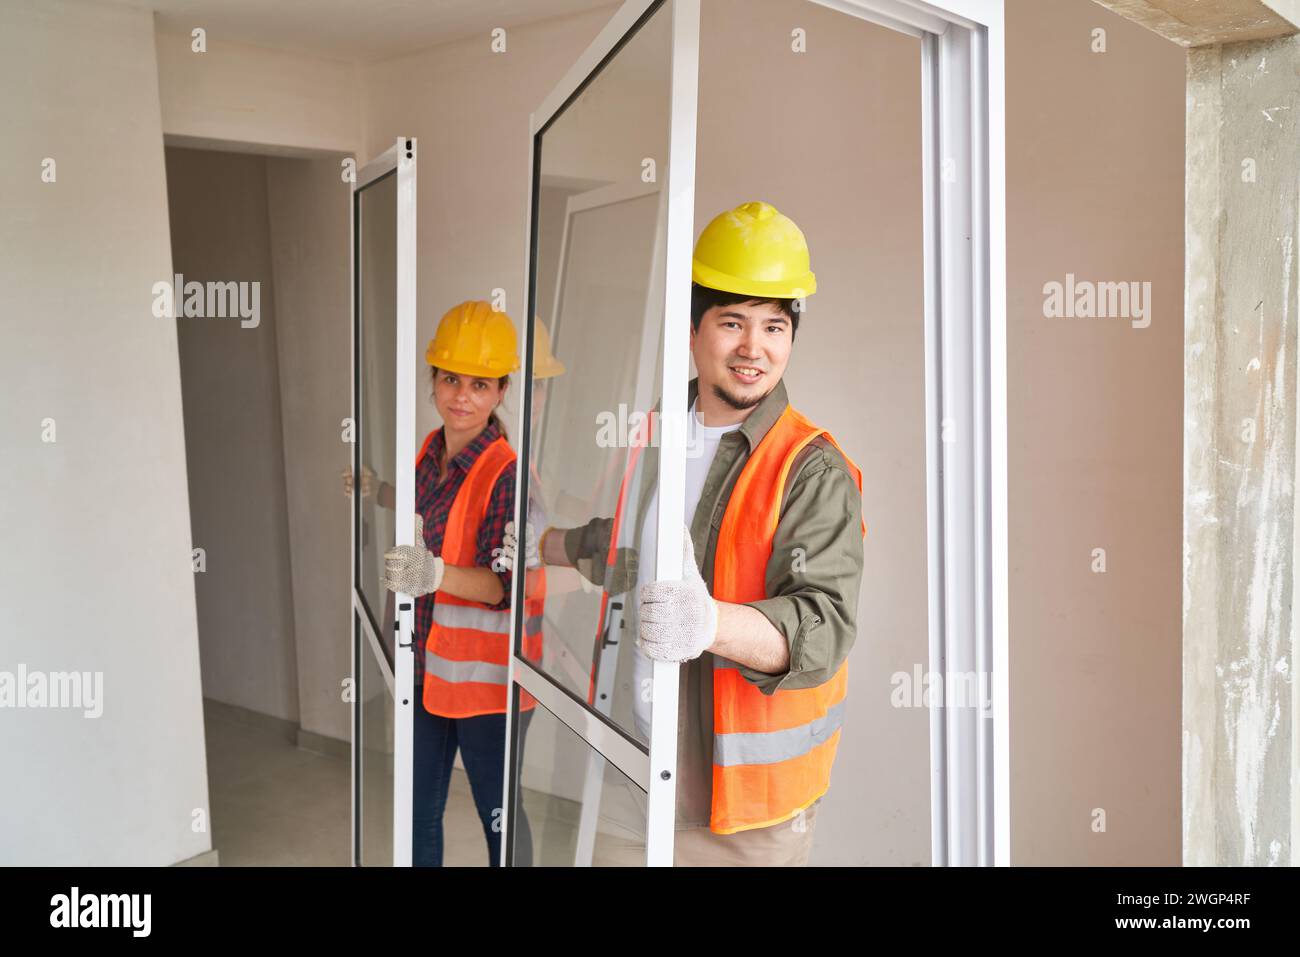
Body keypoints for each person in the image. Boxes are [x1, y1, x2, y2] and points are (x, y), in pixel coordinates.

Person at [528, 201, 867, 866]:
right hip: (633, 764)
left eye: (775, 325)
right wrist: (543, 541)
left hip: (745, 811)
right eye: (733, 321)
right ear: (694, 329)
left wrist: (710, 624)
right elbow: (629, 544)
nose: (754, 346)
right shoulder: (662, 424)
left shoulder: (812, 467)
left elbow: (822, 625)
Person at [377, 299, 537, 867]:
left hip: (486, 683)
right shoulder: (428, 451)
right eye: (450, 379)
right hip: (425, 666)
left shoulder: (506, 472)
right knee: (419, 810)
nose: (461, 396)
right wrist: (377, 491)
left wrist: (435, 574)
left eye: (479, 383)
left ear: (499, 392)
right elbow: (425, 511)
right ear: (434, 381)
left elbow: (503, 586)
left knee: (498, 819)